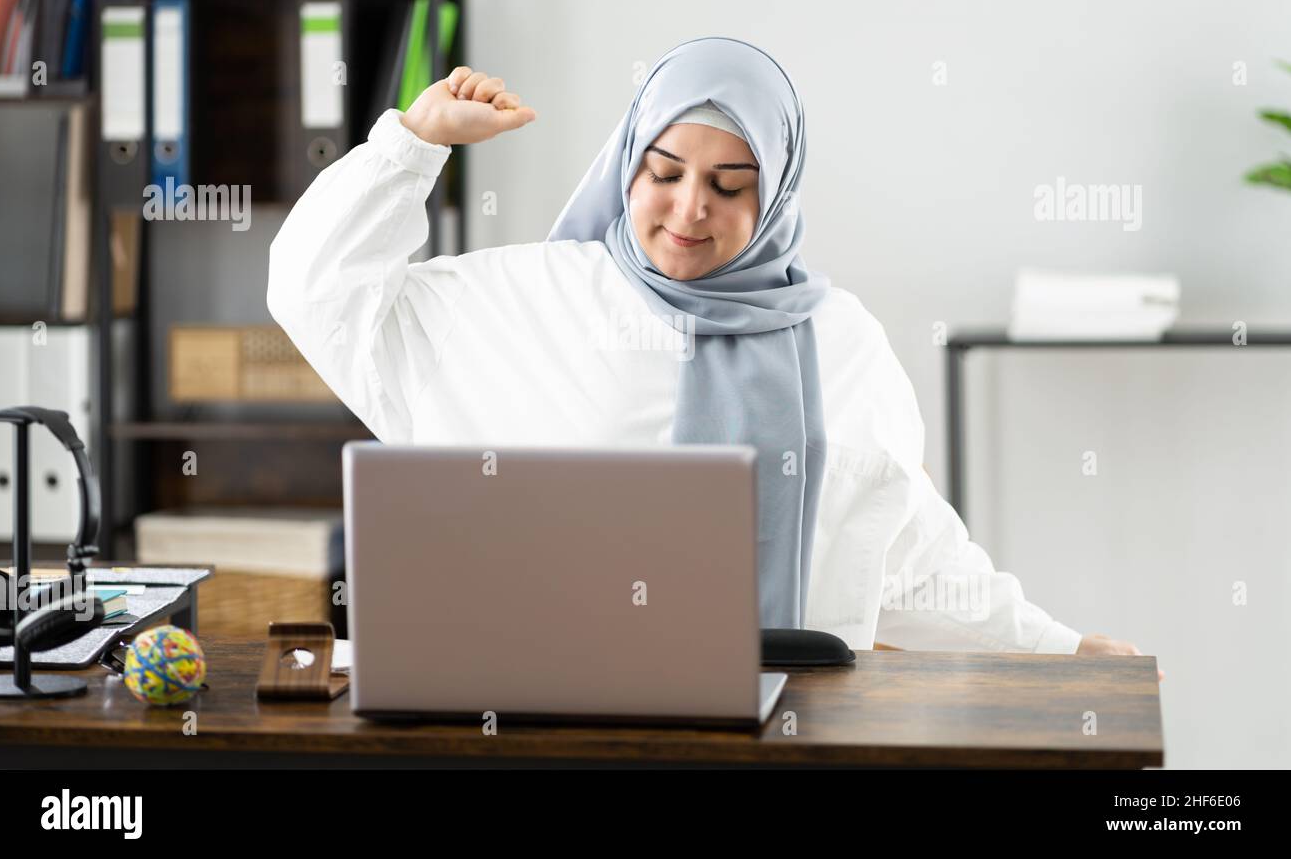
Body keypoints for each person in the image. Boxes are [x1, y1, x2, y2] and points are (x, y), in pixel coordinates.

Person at [267, 37, 1161, 679]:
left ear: (775, 194)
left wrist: (1056, 647)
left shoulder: (839, 339)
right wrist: (413, 143)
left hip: (784, 734)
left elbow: (902, 550)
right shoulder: (525, 300)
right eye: (664, 172)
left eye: (731, 186)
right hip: (541, 718)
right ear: (626, 169)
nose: (690, 209)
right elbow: (319, 294)